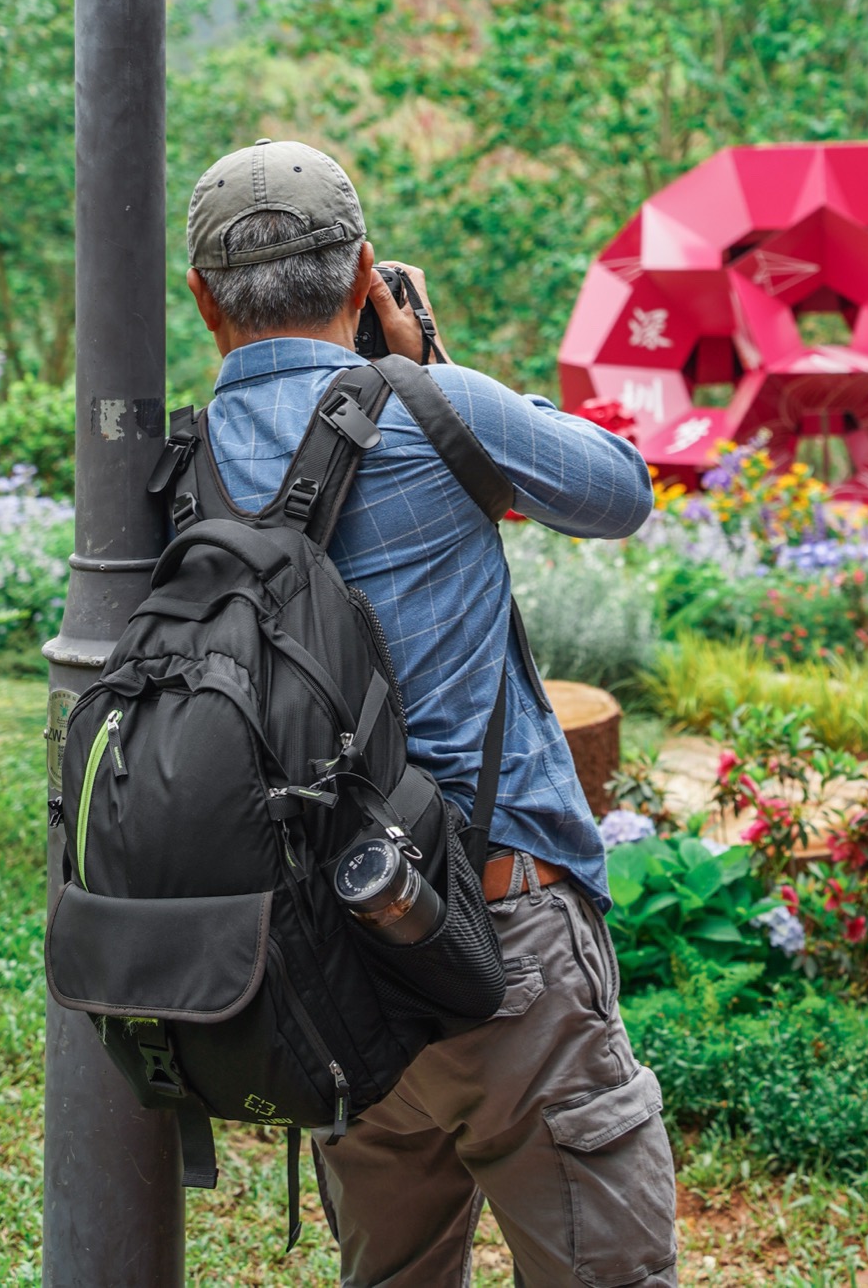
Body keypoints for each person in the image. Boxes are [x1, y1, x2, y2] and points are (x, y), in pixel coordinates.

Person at [185, 137, 679, 1288]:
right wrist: (427, 360)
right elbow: (620, 491)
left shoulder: (179, 466)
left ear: (202, 299)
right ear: (365, 273)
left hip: (320, 959)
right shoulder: (432, 405)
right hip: (499, 931)